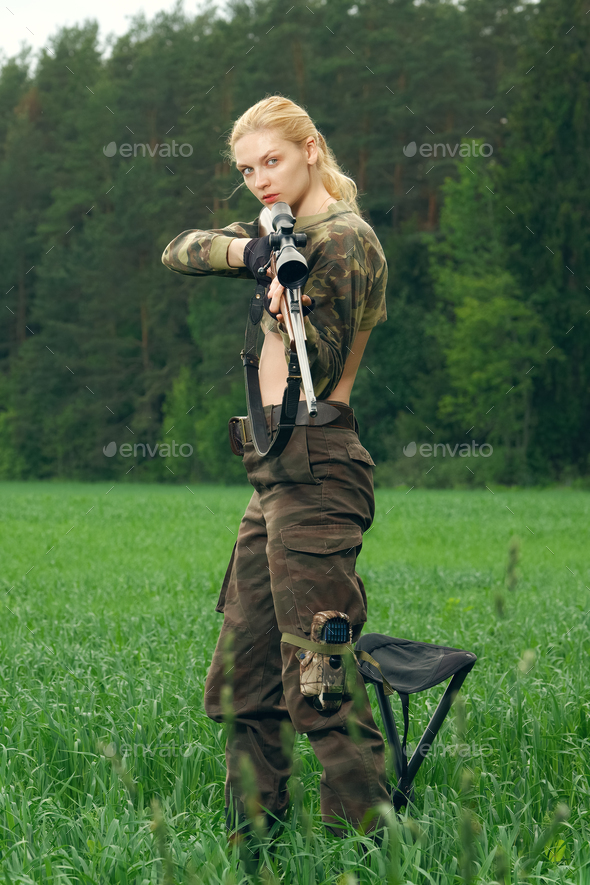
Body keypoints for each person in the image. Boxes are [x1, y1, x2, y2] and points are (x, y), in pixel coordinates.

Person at [161, 95, 390, 842]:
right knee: (243, 672)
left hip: (318, 461)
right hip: (273, 470)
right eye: (247, 168)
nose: (260, 178)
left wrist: (286, 294)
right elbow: (178, 249)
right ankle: (253, 840)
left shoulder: (344, 240)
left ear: (312, 150)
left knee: (318, 678)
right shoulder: (281, 231)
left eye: (274, 161)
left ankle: (362, 848)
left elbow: (313, 374)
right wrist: (249, 252)